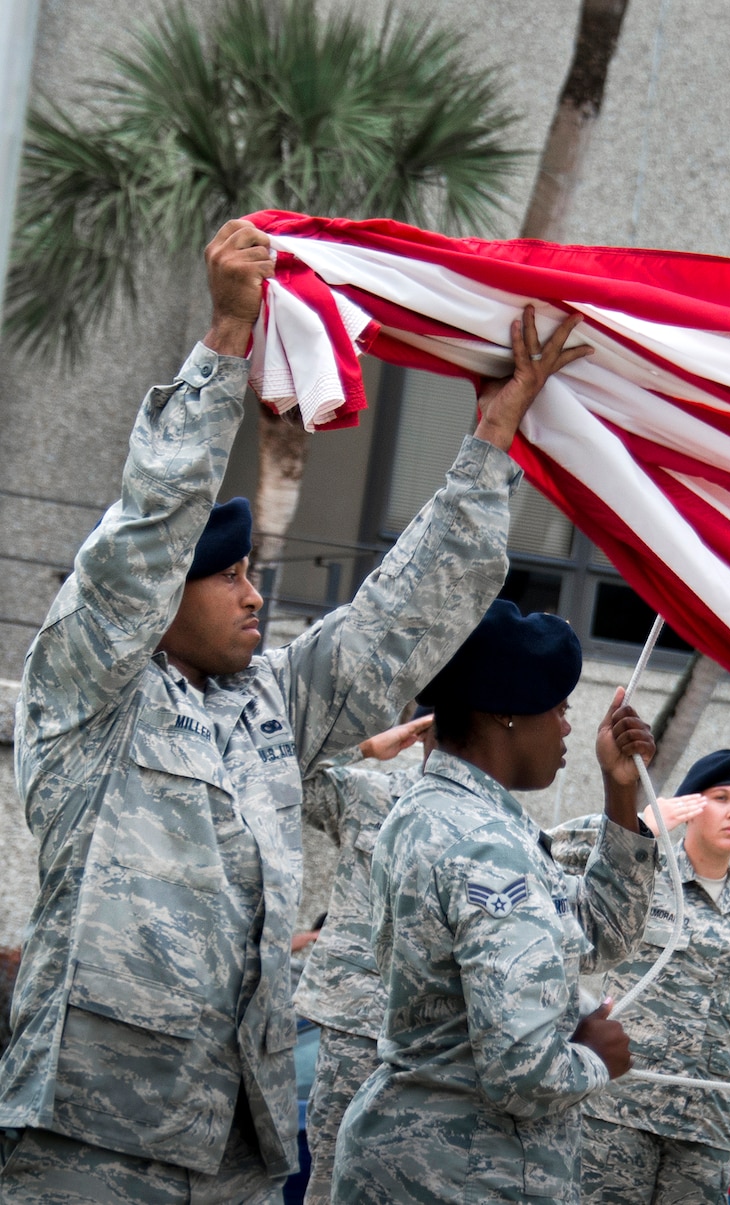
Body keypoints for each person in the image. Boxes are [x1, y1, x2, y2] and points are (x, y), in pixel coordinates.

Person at [1, 219, 586, 1203]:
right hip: (92, 1136)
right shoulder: (88, 693)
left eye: (249, 571)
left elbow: (399, 619)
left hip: (238, 1140)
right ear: (157, 601)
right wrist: (228, 334)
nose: (251, 592)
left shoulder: (269, 701)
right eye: (223, 575)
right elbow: (148, 526)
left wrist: (490, 444)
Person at [330, 601, 703, 1204]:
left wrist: (620, 790)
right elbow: (521, 1072)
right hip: (462, 1173)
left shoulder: (441, 813)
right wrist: (593, 1056)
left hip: (428, 1163)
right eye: (558, 709)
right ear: (506, 713)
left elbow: (598, 930)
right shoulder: (484, 845)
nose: (566, 728)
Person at [561, 749, 730, 1205]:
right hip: (622, 1111)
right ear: (690, 805)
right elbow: (551, 851)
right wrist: (639, 828)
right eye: (721, 797)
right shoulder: (642, 874)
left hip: (706, 1127)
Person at [294, 709, 435, 1205]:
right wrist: (364, 747)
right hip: (356, 1022)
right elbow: (269, 773)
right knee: (332, 1184)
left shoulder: (507, 825)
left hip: (439, 1043)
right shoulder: (369, 794)